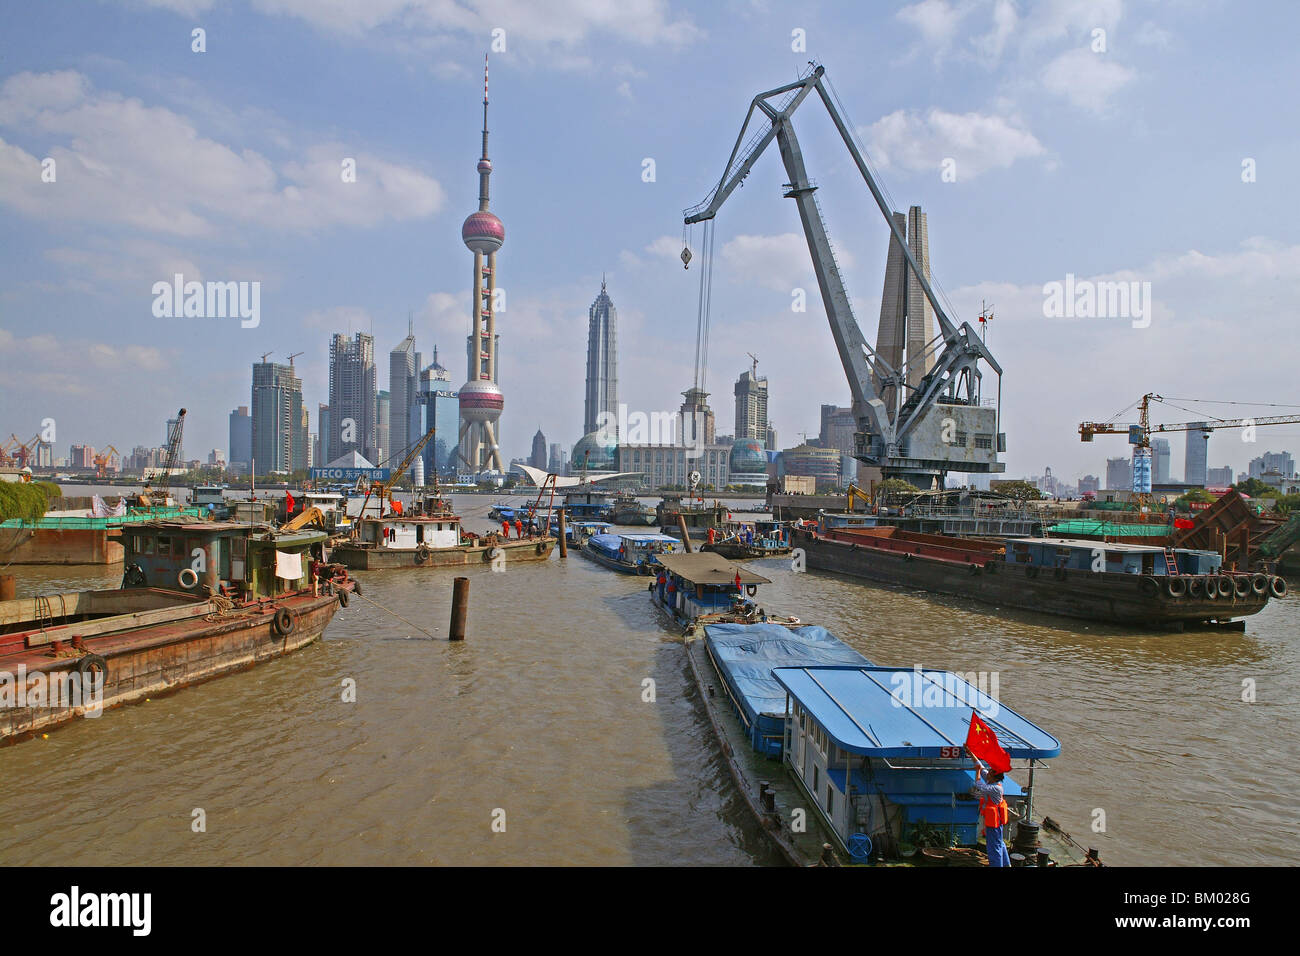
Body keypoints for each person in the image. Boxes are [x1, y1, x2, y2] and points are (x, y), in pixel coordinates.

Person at [970, 759, 1011, 867]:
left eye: (990, 772)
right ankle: (1006, 864)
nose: (987, 773)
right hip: (994, 821)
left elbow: (978, 785)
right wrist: (970, 753)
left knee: (993, 847)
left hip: (994, 822)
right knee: (999, 843)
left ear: (994, 776)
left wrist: (977, 771)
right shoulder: (991, 781)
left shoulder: (995, 788)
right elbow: (981, 766)